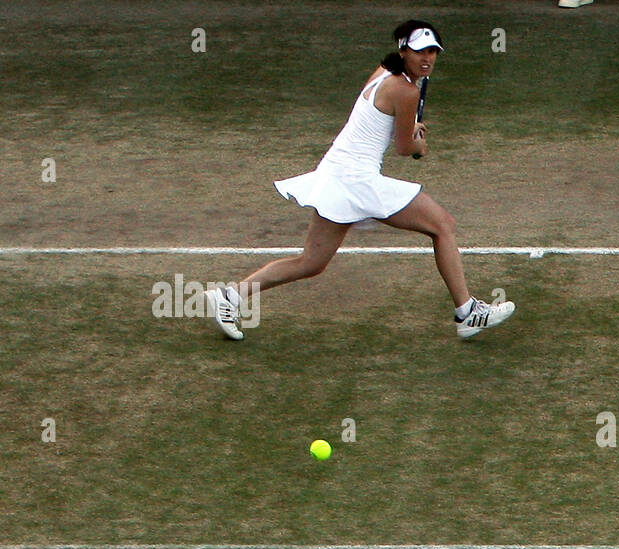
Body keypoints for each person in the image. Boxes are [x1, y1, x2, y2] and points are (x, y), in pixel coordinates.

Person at [204, 20, 514, 342]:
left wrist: (410, 126)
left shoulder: (385, 72)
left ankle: (231, 297)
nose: (427, 59)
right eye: (420, 51)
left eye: (433, 51)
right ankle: (467, 312)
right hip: (357, 181)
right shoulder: (406, 89)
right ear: (404, 51)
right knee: (443, 225)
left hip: (337, 174)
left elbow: (387, 120)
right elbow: (405, 148)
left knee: (312, 262)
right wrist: (419, 142)